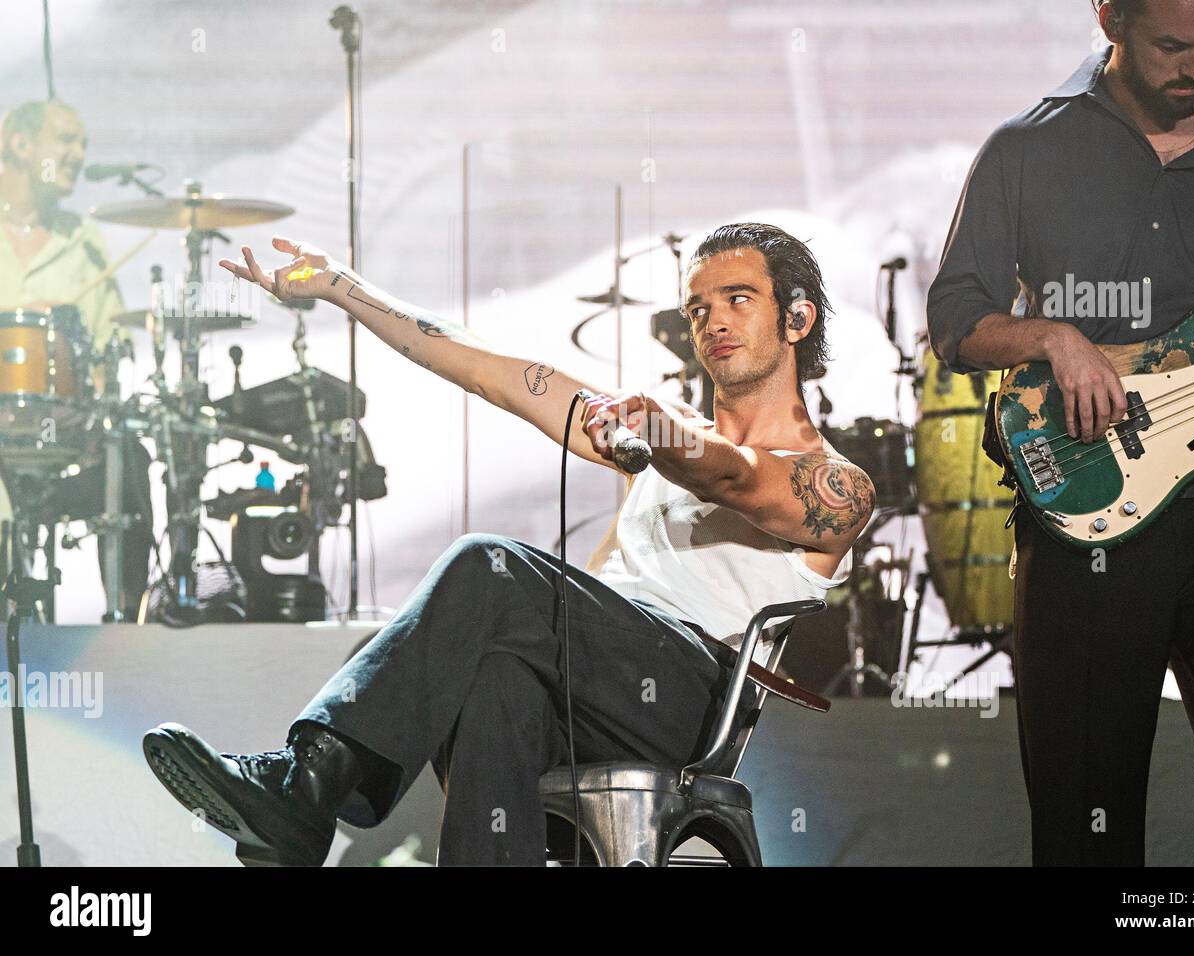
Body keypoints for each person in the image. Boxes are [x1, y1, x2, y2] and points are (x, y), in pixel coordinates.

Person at [143, 222, 875, 865]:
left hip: (683, 698)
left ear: (797, 317)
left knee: (486, 564)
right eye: (698, 307)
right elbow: (485, 367)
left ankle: (306, 783)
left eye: (738, 299)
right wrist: (340, 287)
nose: (713, 319)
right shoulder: (646, 430)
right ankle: (306, 798)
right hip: (580, 681)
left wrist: (662, 435)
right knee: (494, 676)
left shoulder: (837, 484)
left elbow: (739, 479)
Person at [927, 0, 1194, 865]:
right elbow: (954, 316)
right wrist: (1055, 339)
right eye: (1172, 46)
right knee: (1084, 827)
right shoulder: (1026, 149)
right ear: (1110, 20)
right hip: (1086, 509)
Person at [0, 98, 153, 616]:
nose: (78, 155)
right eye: (65, 140)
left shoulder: (83, 239)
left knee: (130, 457)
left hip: (62, 433)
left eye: (83, 144)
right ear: (20, 145)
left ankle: (128, 622)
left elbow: (109, 345)